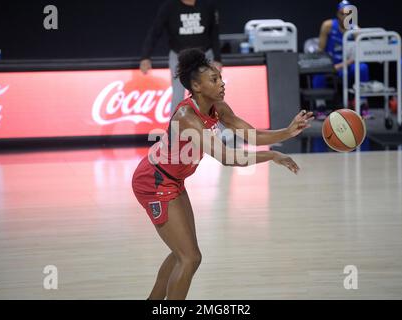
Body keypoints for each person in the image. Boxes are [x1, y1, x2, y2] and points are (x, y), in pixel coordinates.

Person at [131, 48, 314, 300]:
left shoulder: (218, 107)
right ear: (196, 85)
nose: (221, 83)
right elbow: (228, 157)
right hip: (154, 181)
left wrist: (288, 131)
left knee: (182, 254)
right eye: (214, 79)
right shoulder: (186, 116)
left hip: (173, 181)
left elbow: (250, 134)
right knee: (189, 258)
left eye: (220, 78)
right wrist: (272, 155)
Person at [139, 0, 222, 116]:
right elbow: (155, 31)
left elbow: (214, 32)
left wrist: (217, 58)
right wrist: (145, 56)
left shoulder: (208, 5)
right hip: (180, 59)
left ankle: (216, 130)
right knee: (178, 96)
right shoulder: (169, 7)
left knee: (211, 96)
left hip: (205, 57)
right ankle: (174, 132)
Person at [314, 0, 372, 120]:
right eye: (342, 13)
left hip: (348, 65)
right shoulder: (328, 26)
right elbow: (320, 50)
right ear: (337, 14)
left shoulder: (356, 30)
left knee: (363, 67)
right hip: (332, 64)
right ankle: (320, 107)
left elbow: (360, 54)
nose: (345, 16)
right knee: (319, 71)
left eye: (348, 13)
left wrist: (343, 65)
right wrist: (327, 65)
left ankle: (362, 104)